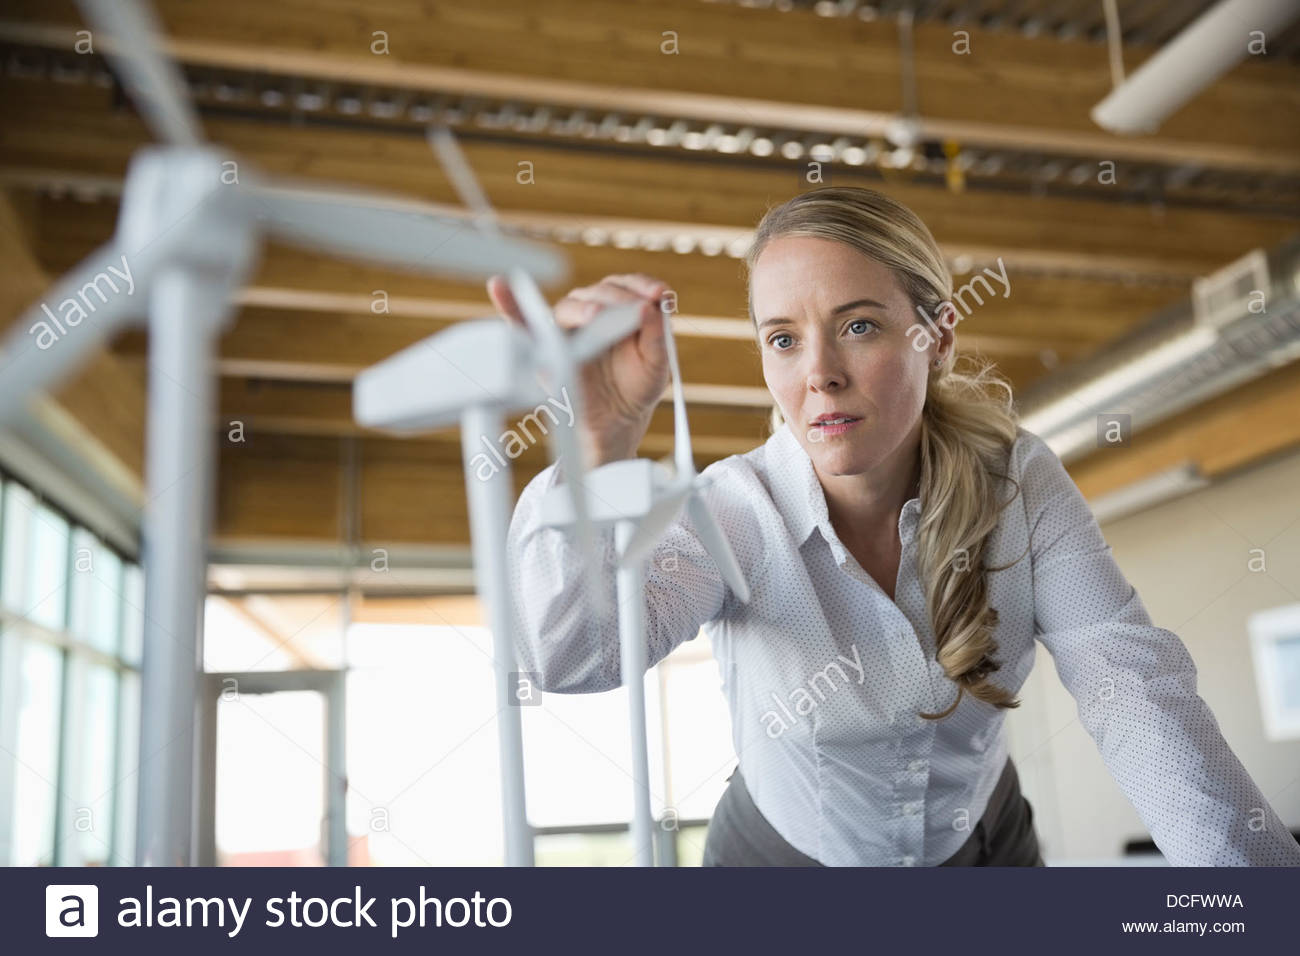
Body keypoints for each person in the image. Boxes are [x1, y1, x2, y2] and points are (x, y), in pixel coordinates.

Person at [492, 186, 1300, 867]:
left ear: (936, 335)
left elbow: (1134, 692)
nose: (819, 375)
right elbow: (571, 658)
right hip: (779, 865)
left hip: (984, 847)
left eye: (858, 325)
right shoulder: (733, 510)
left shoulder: (1018, 483)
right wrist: (594, 450)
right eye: (783, 339)